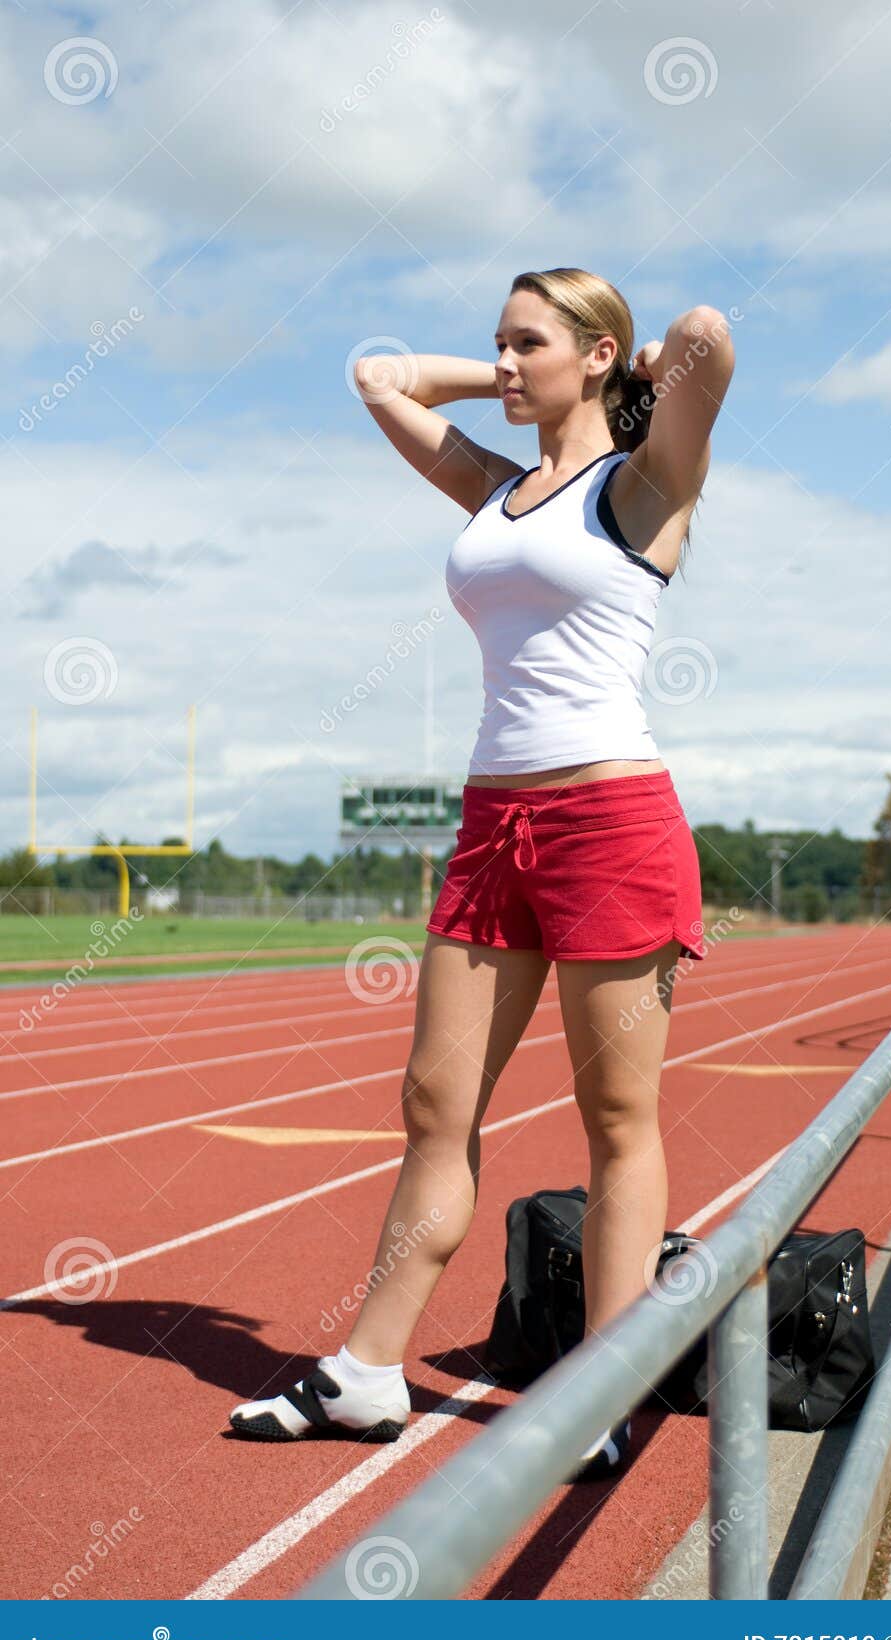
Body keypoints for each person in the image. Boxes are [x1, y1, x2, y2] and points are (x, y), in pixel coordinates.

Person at [229, 267, 735, 1481]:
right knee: (433, 1104)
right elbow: (379, 377)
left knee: (617, 1120)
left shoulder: (644, 484)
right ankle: (367, 1372)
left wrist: (640, 369)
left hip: (609, 822)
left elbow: (706, 338)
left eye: (524, 344)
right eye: (494, 343)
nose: (500, 363)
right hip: (493, 822)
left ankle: (600, 1389)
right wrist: (515, 377)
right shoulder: (496, 490)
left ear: (598, 355)